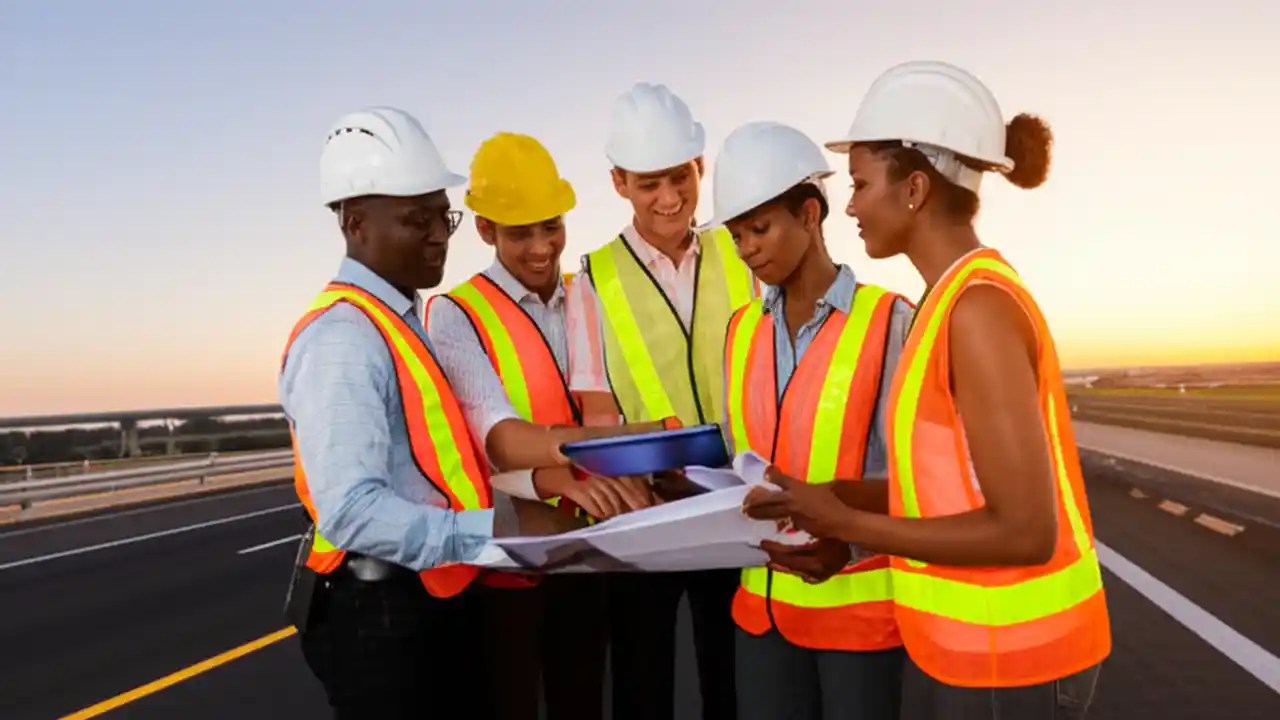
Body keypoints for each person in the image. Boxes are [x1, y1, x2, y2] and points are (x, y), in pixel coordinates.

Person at [743, 61, 1112, 719]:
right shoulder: (943, 307)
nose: (850, 206)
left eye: (860, 184)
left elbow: (1026, 531)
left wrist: (850, 522)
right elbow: (938, 493)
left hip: (1018, 657)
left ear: (914, 189)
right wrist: (837, 506)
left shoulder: (978, 310)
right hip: (976, 653)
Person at [280, 106, 580, 719]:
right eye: (417, 219)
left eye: (443, 216)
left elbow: (438, 470)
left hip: (425, 598)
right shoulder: (343, 336)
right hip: (380, 614)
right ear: (356, 224)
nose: (440, 235)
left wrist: (517, 515)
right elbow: (351, 510)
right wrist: (495, 532)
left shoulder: (400, 320)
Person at [426, 131, 660, 719]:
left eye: (550, 226)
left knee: (582, 701)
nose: (540, 247)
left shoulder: (590, 296)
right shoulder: (455, 314)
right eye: (519, 232)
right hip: (509, 558)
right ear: (485, 230)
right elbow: (495, 442)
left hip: (590, 549)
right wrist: (580, 466)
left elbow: (612, 401)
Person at [704, 120, 913, 719]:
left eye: (760, 228)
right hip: (761, 614)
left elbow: (919, 483)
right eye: (737, 236)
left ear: (810, 214)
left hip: (858, 614)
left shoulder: (890, 322)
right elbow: (742, 457)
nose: (747, 249)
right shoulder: (740, 332)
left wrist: (848, 542)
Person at [565, 82, 758, 720]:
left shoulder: (741, 252)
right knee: (643, 684)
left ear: (700, 165)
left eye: (681, 177)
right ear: (619, 182)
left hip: (738, 503)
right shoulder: (593, 279)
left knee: (735, 681)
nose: (670, 197)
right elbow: (597, 410)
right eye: (649, 183)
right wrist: (635, 486)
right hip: (647, 511)